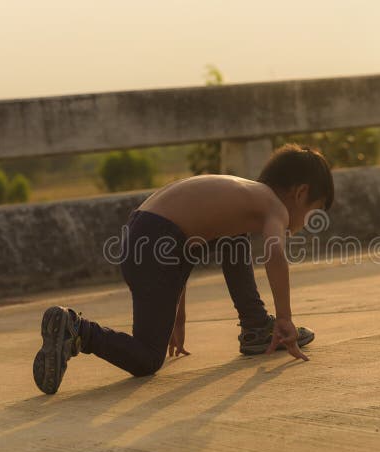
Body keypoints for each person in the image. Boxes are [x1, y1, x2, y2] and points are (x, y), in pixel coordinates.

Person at [33, 144, 335, 394]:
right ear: (300, 194)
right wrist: (284, 317)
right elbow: (275, 254)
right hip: (157, 243)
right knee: (148, 359)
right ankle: (79, 330)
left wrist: (177, 315)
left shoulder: (242, 195)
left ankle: (255, 325)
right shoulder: (274, 207)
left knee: (234, 239)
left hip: (143, 236)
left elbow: (183, 236)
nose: (306, 223)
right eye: (314, 211)